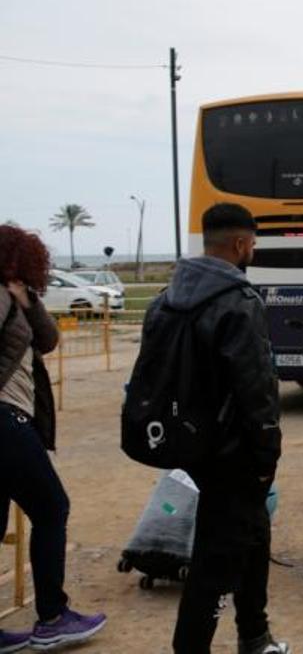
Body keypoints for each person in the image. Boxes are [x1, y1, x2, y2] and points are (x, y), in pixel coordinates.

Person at [154, 204, 286, 654]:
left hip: (188, 439)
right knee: (217, 560)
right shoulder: (239, 302)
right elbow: (256, 388)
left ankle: (255, 635)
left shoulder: (167, 298)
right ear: (241, 243)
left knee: (254, 532)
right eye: (253, 243)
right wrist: (267, 452)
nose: (253, 251)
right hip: (233, 450)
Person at [0, 224, 106, 653]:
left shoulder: (13, 296)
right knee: (51, 508)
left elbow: (47, 340)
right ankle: (52, 617)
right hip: (5, 420)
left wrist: (28, 300)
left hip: (11, 420)